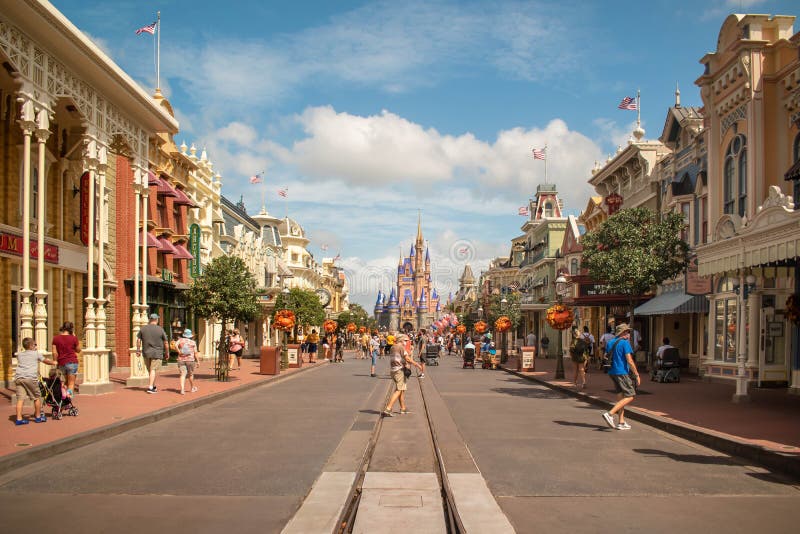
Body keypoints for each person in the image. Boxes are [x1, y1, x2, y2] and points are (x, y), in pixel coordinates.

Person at [601, 323, 641, 431]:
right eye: (627, 332)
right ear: (622, 333)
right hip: (622, 372)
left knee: (621, 397)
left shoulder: (610, 343)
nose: (628, 334)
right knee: (630, 395)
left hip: (612, 372)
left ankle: (621, 422)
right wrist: (637, 374)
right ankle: (610, 414)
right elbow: (630, 360)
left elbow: (605, 355)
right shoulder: (624, 343)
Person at [14, 337, 58, 425]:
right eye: (35, 345)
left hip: (19, 378)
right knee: (36, 397)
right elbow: (45, 361)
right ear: (30, 346)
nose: (36, 346)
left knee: (20, 399)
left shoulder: (20, 355)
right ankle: (38, 417)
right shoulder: (36, 354)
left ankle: (19, 419)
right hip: (30, 378)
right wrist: (54, 362)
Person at [382, 333, 423, 417]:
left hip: (393, 370)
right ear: (400, 340)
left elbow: (398, 358)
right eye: (405, 340)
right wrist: (417, 365)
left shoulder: (393, 347)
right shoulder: (400, 347)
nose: (406, 342)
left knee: (401, 389)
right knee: (398, 390)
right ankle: (388, 409)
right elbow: (407, 358)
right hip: (399, 370)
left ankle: (403, 408)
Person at [137, 313, 169, 394]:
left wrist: (138, 350)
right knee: (153, 370)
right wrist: (167, 352)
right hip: (157, 352)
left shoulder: (143, 329)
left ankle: (153, 386)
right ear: (156, 320)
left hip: (146, 352)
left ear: (150, 319)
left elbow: (138, 340)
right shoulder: (160, 329)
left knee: (150, 370)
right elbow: (166, 342)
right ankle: (150, 387)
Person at [51, 321, 80, 397]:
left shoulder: (56, 338)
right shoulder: (74, 338)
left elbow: (54, 352)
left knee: (64, 382)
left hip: (61, 363)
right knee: (71, 383)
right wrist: (74, 337)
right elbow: (78, 350)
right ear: (71, 329)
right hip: (72, 362)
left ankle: (62, 397)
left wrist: (55, 361)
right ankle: (68, 398)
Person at [175, 329, 199, 395]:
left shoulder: (180, 340)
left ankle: (182, 389)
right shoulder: (193, 342)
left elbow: (175, 345)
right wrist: (198, 361)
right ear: (190, 335)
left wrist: (178, 351)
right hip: (190, 360)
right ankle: (192, 388)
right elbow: (195, 352)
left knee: (182, 374)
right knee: (190, 374)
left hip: (181, 360)